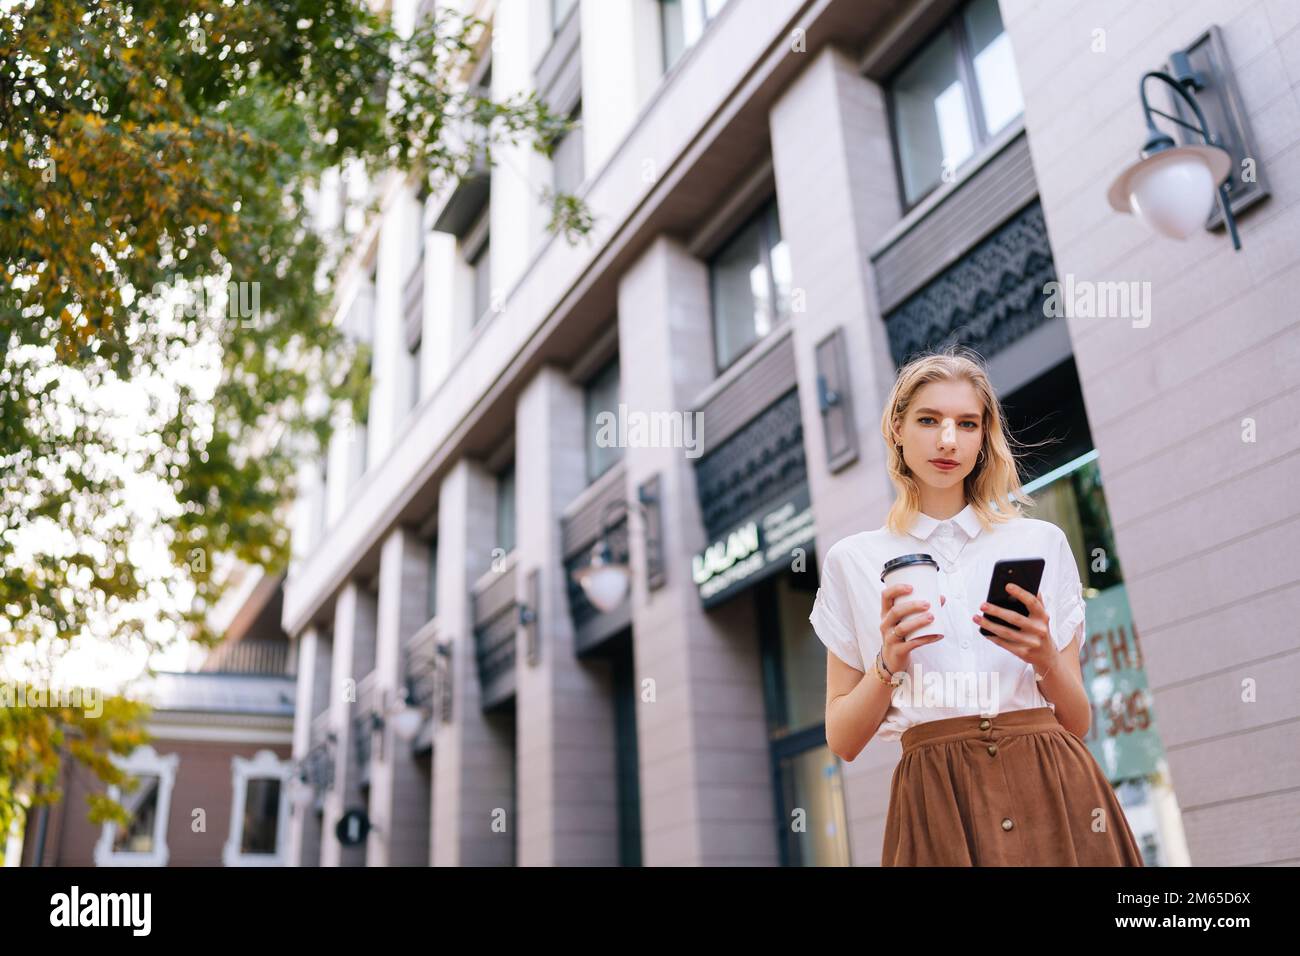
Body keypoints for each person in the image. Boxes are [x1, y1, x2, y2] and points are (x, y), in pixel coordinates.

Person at [810, 346, 1143, 866]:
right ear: (896, 428)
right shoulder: (853, 560)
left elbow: (1076, 721)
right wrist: (887, 664)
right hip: (938, 807)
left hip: (1055, 790)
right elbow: (843, 740)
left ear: (984, 435)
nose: (949, 440)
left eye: (967, 424)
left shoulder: (1040, 542)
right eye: (929, 420)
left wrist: (1045, 659)